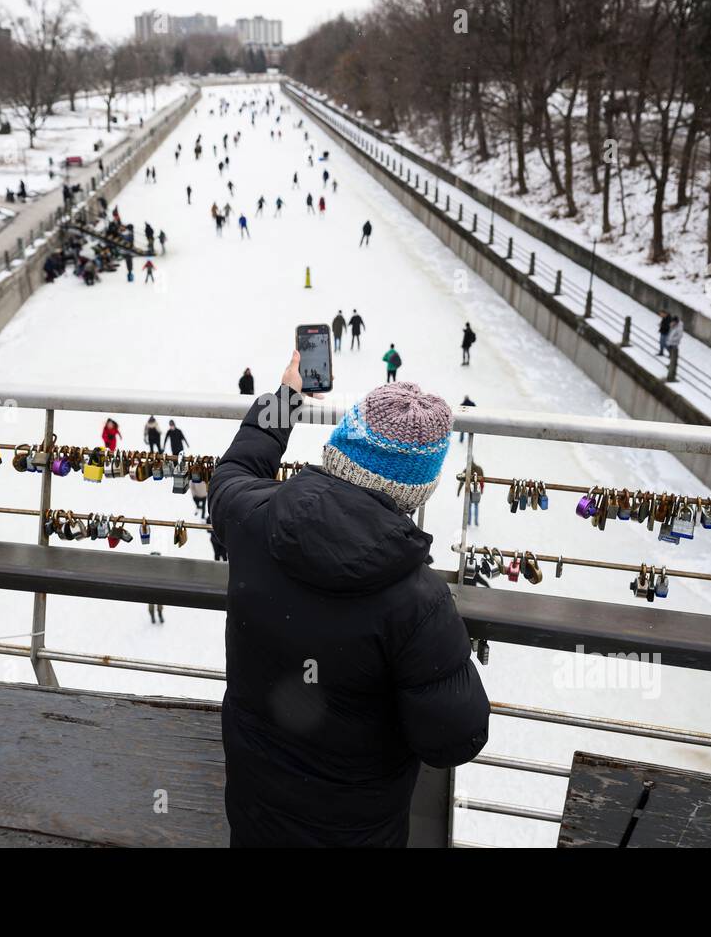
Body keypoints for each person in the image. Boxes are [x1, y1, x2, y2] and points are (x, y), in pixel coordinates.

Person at [209, 360, 490, 847]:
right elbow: (453, 738)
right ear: (418, 488)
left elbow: (234, 470)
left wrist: (285, 398)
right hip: (357, 832)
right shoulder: (418, 602)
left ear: (340, 447)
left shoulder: (254, 516)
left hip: (255, 815)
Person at [147, 552, 165, 624]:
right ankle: (152, 616)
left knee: (159, 605)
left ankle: (160, 614)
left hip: (159, 589)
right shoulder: (148, 569)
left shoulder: (161, 569)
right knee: (151, 606)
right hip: (150, 590)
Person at [466, 462, 484, 526]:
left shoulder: (467, 470)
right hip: (477, 491)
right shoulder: (479, 469)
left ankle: (469, 521)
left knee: (470, 506)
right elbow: (482, 480)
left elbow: (462, 481)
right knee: (476, 506)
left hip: (470, 492)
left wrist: (459, 491)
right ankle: (475, 522)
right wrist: (481, 489)